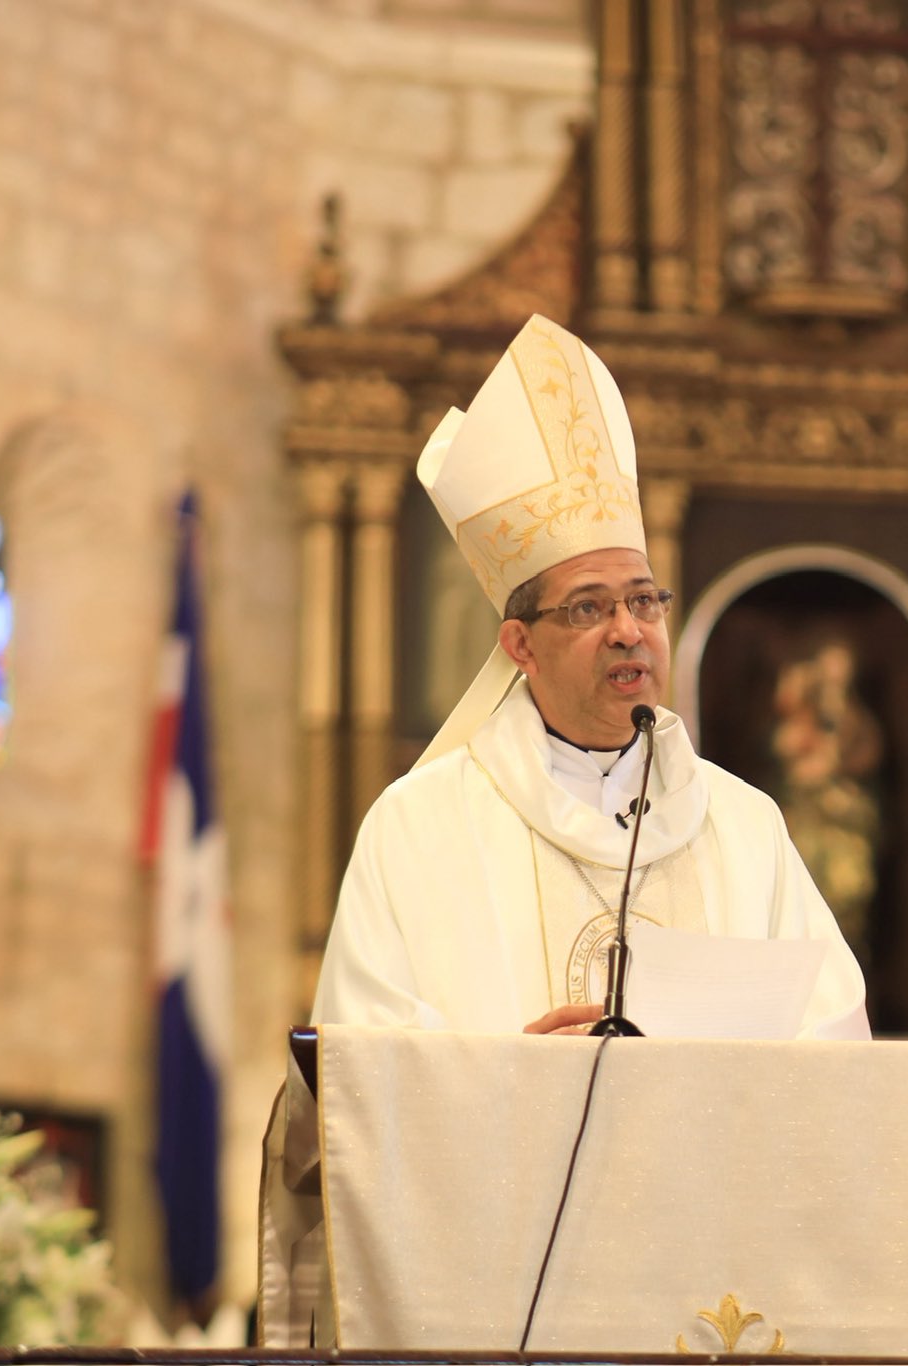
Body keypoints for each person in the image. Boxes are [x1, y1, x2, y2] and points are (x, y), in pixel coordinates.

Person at [311, 314, 869, 1039]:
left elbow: (833, 1044)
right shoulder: (419, 828)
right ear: (521, 645)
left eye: (644, 600)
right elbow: (362, 1060)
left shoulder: (742, 827)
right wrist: (526, 1081)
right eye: (587, 608)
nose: (629, 629)